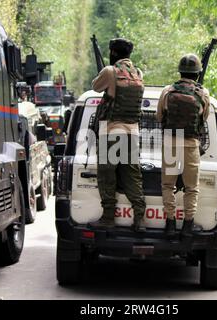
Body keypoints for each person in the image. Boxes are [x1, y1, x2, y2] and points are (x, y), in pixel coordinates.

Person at [91, 38, 147, 232]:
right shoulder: (138, 73)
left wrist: (105, 70)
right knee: (132, 176)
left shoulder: (110, 72)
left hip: (112, 131)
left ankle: (108, 217)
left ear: (113, 53)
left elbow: (95, 87)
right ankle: (139, 218)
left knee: (107, 175)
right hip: (132, 133)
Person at [157, 54, 210, 238]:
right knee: (191, 187)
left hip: (171, 140)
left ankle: (170, 224)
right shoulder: (202, 93)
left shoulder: (167, 90)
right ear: (197, 73)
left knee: (168, 185)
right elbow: (204, 117)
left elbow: (159, 116)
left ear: (180, 71)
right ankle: (188, 226)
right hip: (191, 143)